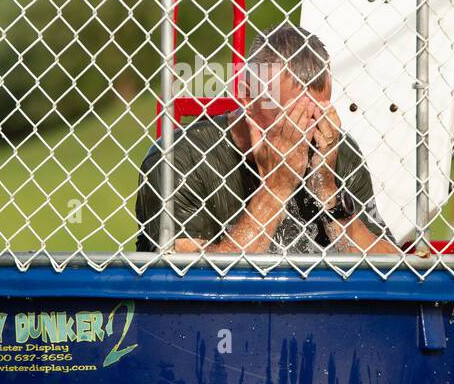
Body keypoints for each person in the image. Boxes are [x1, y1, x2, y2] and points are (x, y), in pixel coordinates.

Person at [136, 23, 398, 255]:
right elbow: (191, 282)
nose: (307, 132)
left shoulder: (334, 148)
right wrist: (275, 190)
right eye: (292, 116)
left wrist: (328, 190)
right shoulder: (179, 159)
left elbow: (391, 268)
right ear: (249, 100)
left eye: (318, 115)